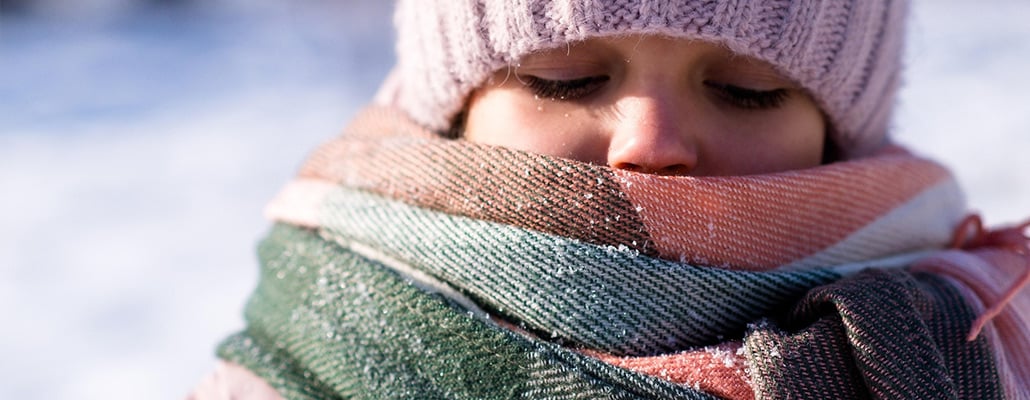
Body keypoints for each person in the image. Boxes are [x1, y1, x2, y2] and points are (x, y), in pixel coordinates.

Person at [190, 0, 1030, 398]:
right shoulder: (297, 369)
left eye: (745, 89)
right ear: (453, 112)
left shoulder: (979, 339)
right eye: (568, 80)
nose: (651, 142)